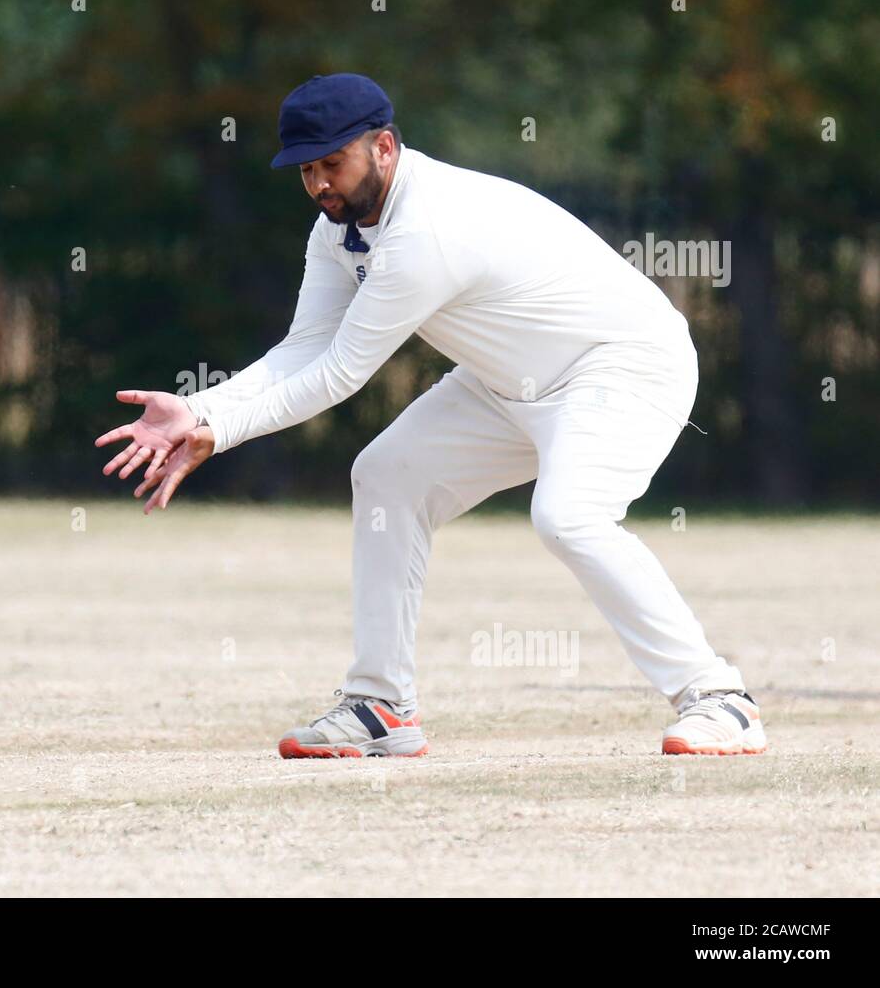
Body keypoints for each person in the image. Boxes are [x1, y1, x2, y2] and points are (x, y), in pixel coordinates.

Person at [95, 72, 766, 759]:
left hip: (621, 365)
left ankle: (719, 698)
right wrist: (198, 406)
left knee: (569, 517)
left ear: (384, 147)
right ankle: (381, 706)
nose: (321, 183)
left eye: (334, 162)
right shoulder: (337, 231)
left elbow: (339, 374)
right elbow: (303, 346)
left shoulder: (427, 229)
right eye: (307, 170)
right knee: (386, 475)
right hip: (508, 382)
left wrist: (219, 432)